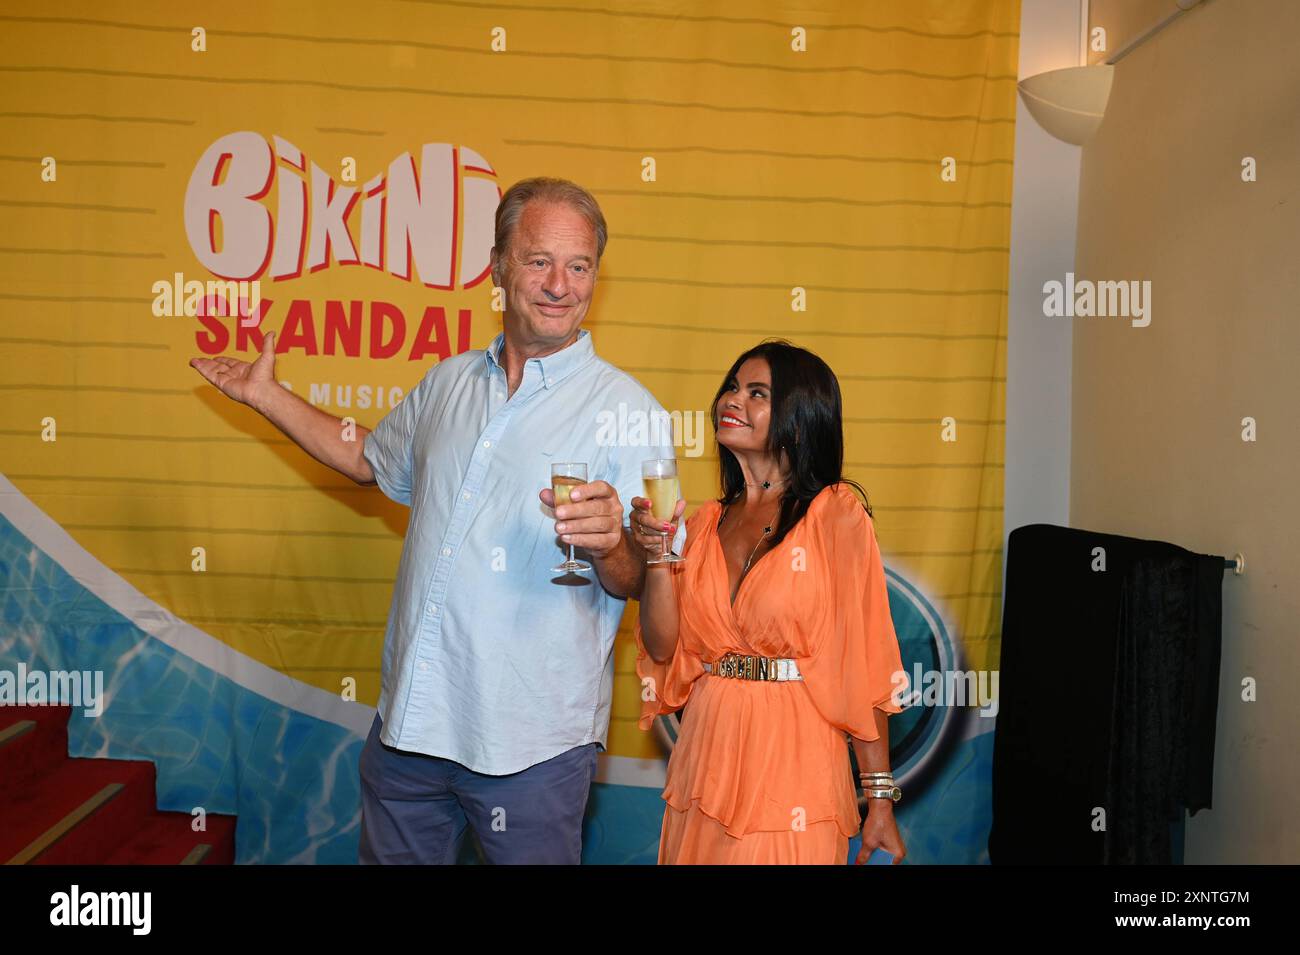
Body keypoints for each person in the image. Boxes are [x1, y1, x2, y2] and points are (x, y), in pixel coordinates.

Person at [189, 177, 682, 864]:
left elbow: (639, 580)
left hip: (531, 751)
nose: (560, 285)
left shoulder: (631, 412)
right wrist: (268, 396)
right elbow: (367, 458)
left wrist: (612, 548)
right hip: (408, 739)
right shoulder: (448, 383)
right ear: (499, 265)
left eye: (580, 265)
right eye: (539, 260)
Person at [630, 340, 909, 864]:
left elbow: (866, 663)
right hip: (706, 755)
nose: (732, 400)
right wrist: (656, 556)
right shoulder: (703, 523)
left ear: (800, 422)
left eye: (756, 393)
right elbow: (664, 647)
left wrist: (880, 799)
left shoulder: (836, 516)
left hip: (794, 762)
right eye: (732, 387)